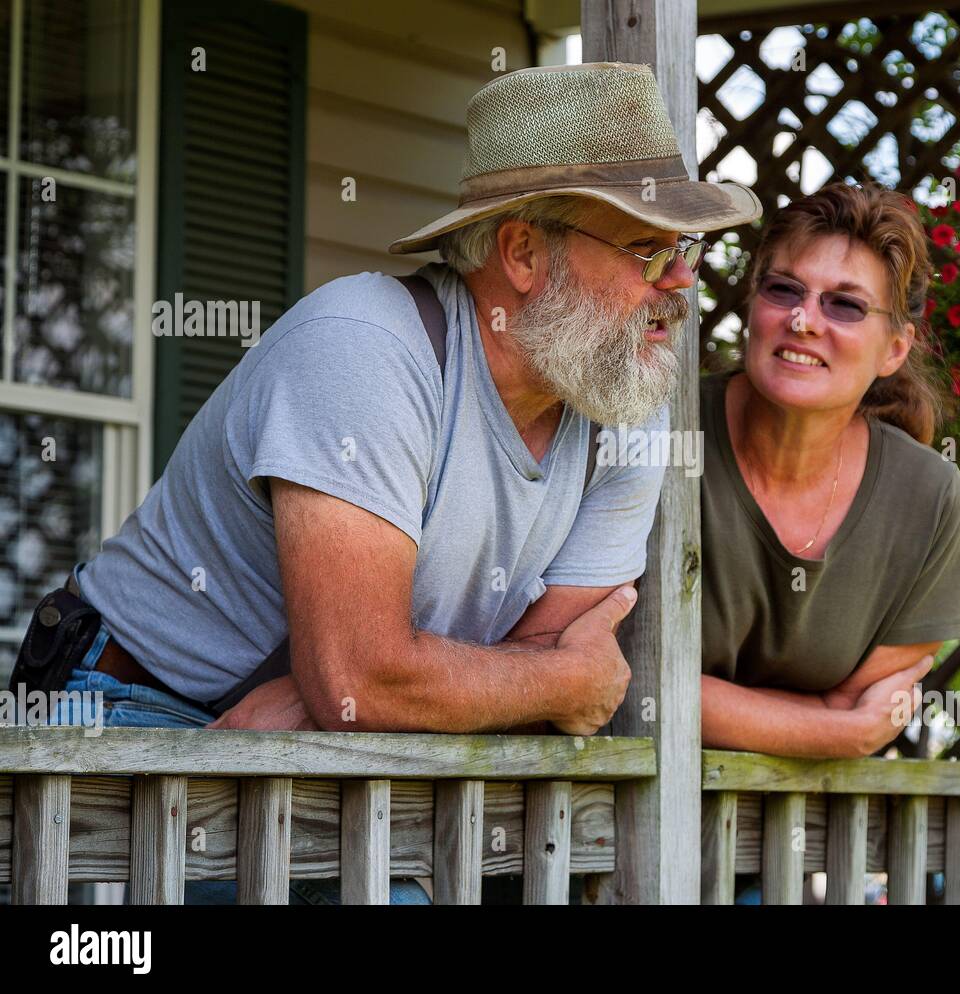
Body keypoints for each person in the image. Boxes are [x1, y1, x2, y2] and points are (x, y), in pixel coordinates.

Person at [18, 62, 762, 905]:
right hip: (134, 711)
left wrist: (363, 689)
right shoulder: (366, 347)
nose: (682, 281)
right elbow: (504, 677)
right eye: (647, 248)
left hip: (354, 749)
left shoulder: (628, 408)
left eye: (687, 248)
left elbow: (396, 685)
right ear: (521, 251)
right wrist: (541, 683)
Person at [701, 180, 960, 768]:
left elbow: (862, 701)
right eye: (784, 290)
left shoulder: (929, 499)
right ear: (753, 304)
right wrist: (830, 732)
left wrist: (708, 702)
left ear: (894, 349)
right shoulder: (662, 441)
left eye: (844, 305)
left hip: (798, 845)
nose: (802, 320)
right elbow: (623, 673)